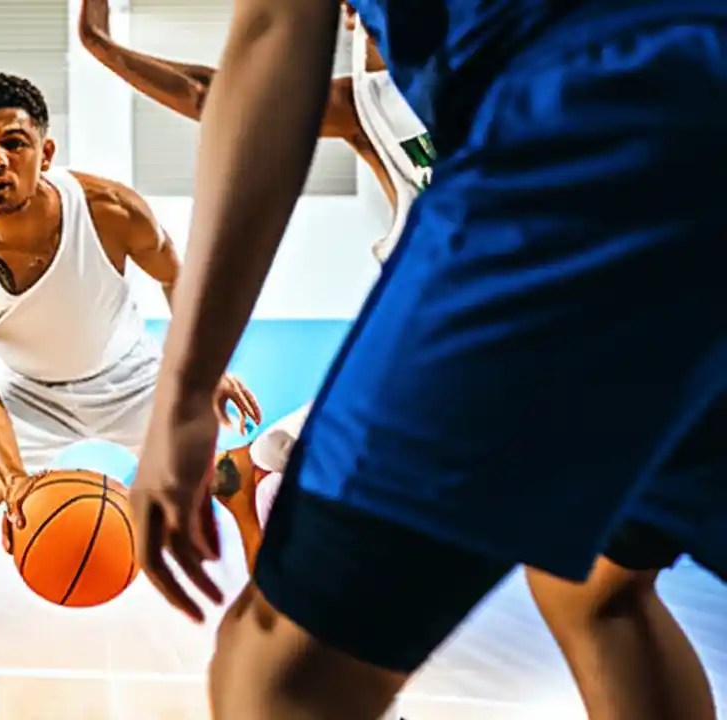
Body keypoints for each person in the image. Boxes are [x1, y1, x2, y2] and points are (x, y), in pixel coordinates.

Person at [129, 0, 727, 718]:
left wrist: (187, 387)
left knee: (278, 674)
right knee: (597, 589)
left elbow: (274, 33)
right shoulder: (375, 104)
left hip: (590, 134)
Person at [0, 72, 261, 719]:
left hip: (133, 377)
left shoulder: (107, 209)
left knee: (244, 484)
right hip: (28, 396)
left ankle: (289, 664)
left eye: (12, 142)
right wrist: (15, 480)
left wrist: (205, 370)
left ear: (45, 152)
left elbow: (176, 276)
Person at [79, 0, 433, 568]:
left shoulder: (514, 78)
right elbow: (217, 95)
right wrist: (103, 45)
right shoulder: (376, 104)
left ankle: (262, 486)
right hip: (444, 336)